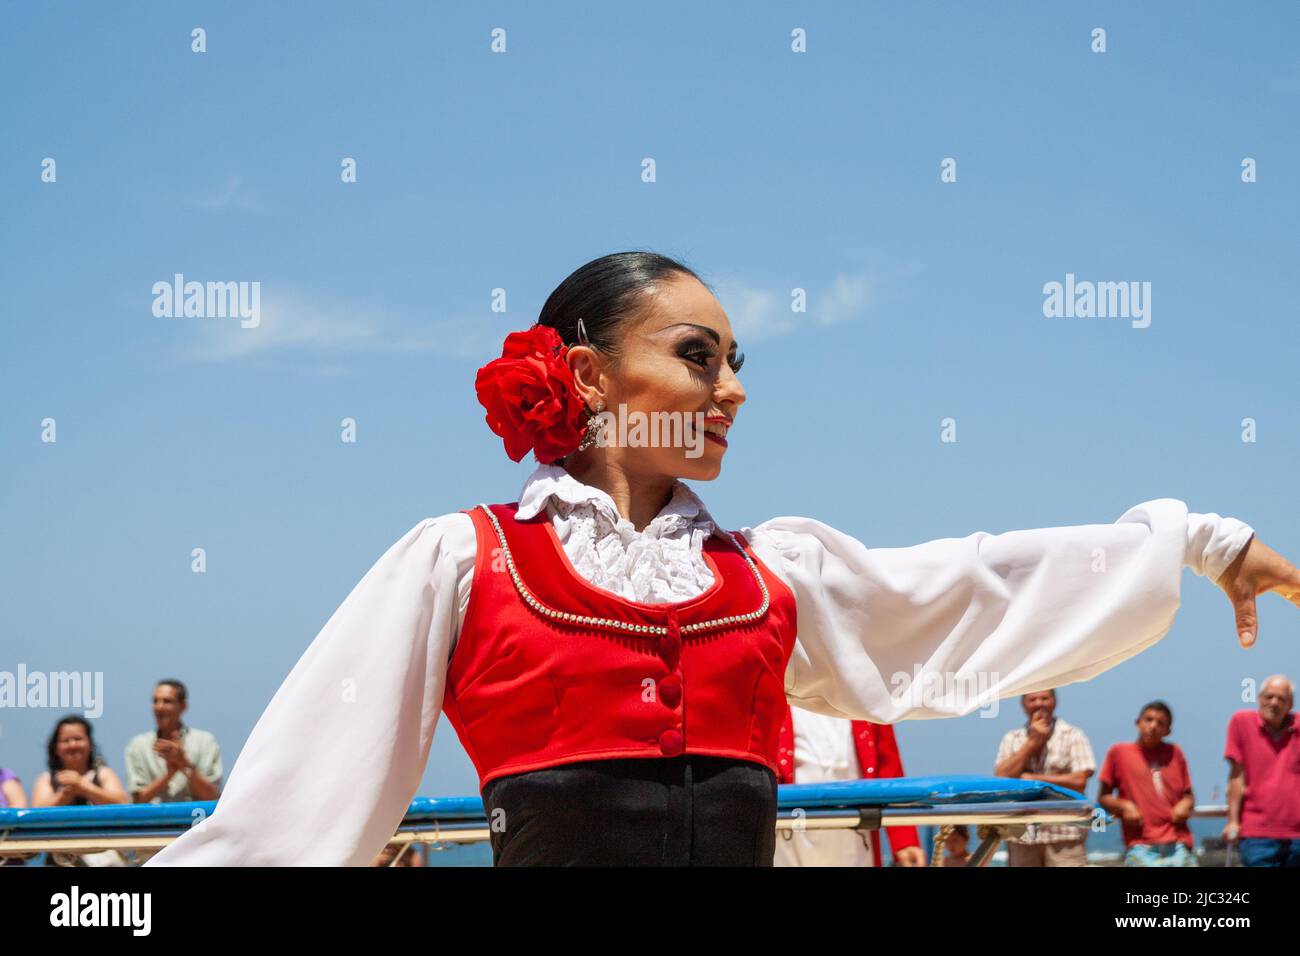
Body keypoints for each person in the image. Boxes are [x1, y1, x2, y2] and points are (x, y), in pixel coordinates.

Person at [147, 250, 1297, 867]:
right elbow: (291, 815)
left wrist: (1198, 541)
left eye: (735, 358)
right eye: (698, 356)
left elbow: (970, 587)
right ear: (590, 377)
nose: (733, 388)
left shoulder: (772, 572)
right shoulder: (462, 558)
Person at [773, 704, 924, 866]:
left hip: (857, 832)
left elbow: (888, 768)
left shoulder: (865, 695)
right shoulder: (778, 691)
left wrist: (904, 840)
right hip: (790, 832)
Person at [994, 689, 1095, 865]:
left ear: (1054, 701)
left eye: (1044, 698)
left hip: (1065, 834)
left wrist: (1030, 778)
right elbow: (1001, 778)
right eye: (1033, 699)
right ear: (1023, 704)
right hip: (1022, 834)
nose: (1039, 703)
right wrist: (1032, 742)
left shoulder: (1072, 735)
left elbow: (1079, 781)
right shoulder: (1012, 738)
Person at [1097, 701, 1196, 866]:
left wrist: (1185, 804)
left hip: (1177, 843)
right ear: (1137, 722)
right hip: (1141, 844)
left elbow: (1189, 795)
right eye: (1148, 720)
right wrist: (1124, 806)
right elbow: (1103, 797)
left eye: (1160, 723)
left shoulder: (1175, 753)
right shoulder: (1119, 753)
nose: (1153, 726)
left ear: (1168, 730)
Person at [31, 716, 130, 866]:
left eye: (78, 739)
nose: (73, 745)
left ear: (90, 744)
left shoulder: (104, 774)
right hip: (60, 861)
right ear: (56, 748)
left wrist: (84, 787)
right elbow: (35, 817)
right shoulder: (46, 779)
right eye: (66, 741)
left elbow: (123, 805)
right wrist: (64, 795)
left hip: (105, 858)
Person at [1224, 675, 1300, 866]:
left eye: (1281, 699)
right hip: (1256, 833)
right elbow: (1236, 776)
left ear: (1290, 704)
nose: (1274, 703)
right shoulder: (1241, 722)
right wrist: (1232, 821)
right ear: (1259, 698)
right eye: (1269, 697)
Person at [125, 679, 222, 804]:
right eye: (155, 701)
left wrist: (184, 763)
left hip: (195, 821)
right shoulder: (137, 746)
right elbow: (138, 800)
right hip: (153, 822)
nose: (159, 707)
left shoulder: (205, 742)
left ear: (183, 706)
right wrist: (169, 774)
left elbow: (212, 796)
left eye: (167, 701)